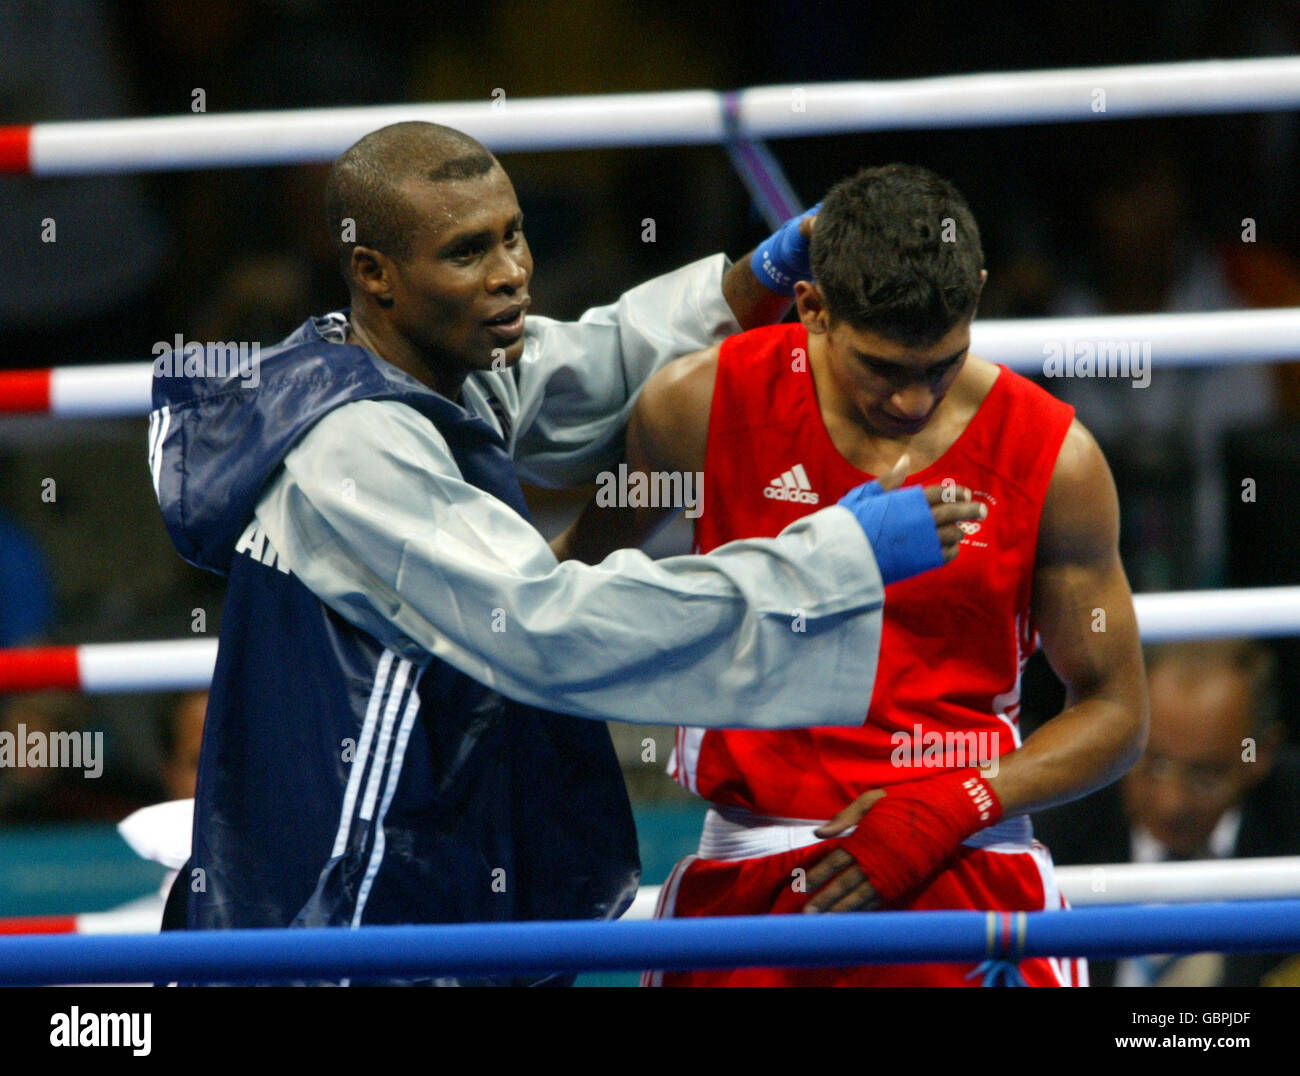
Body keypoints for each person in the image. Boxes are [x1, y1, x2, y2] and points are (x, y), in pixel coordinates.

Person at [148, 123, 980, 985]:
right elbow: (552, 626)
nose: (509, 270)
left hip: (402, 863)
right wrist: (834, 560)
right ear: (374, 275)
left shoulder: (407, 363)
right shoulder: (356, 450)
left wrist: (755, 278)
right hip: (344, 912)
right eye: (467, 251)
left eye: (512, 233)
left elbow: (593, 365)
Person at [586, 163, 1148, 987]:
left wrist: (956, 804)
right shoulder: (703, 404)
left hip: (969, 868)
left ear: (978, 295)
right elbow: (572, 593)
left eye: (941, 364)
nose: (914, 402)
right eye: (884, 369)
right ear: (813, 306)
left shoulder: (1053, 458)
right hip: (754, 872)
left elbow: (1118, 712)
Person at [1035, 638, 1300, 987]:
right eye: (1152, 764)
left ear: (1259, 753)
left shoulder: (1290, 820)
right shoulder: (1050, 816)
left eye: (1205, 776)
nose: (1170, 802)